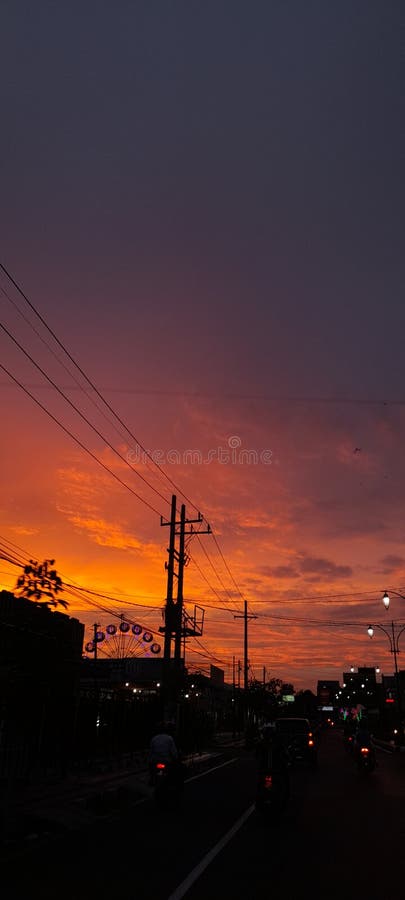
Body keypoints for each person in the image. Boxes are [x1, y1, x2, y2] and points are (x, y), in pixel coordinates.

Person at [256, 722, 291, 800]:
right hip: (272, 768)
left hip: (270, 768)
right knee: (284, 777)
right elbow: (285, 753)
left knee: (283, 778)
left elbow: (257, 755)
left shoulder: (263, 743)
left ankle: (263, 793)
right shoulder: (273, 742)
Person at [148, 722, 181, 786]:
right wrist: (176, 758)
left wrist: (150, 760)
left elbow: (151, 752)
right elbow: (174, 752)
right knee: (172, 772)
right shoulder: (169, 738)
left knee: (152, 771)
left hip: (155, 761)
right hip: (166, 761)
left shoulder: (154, 738)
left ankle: (152, 779)